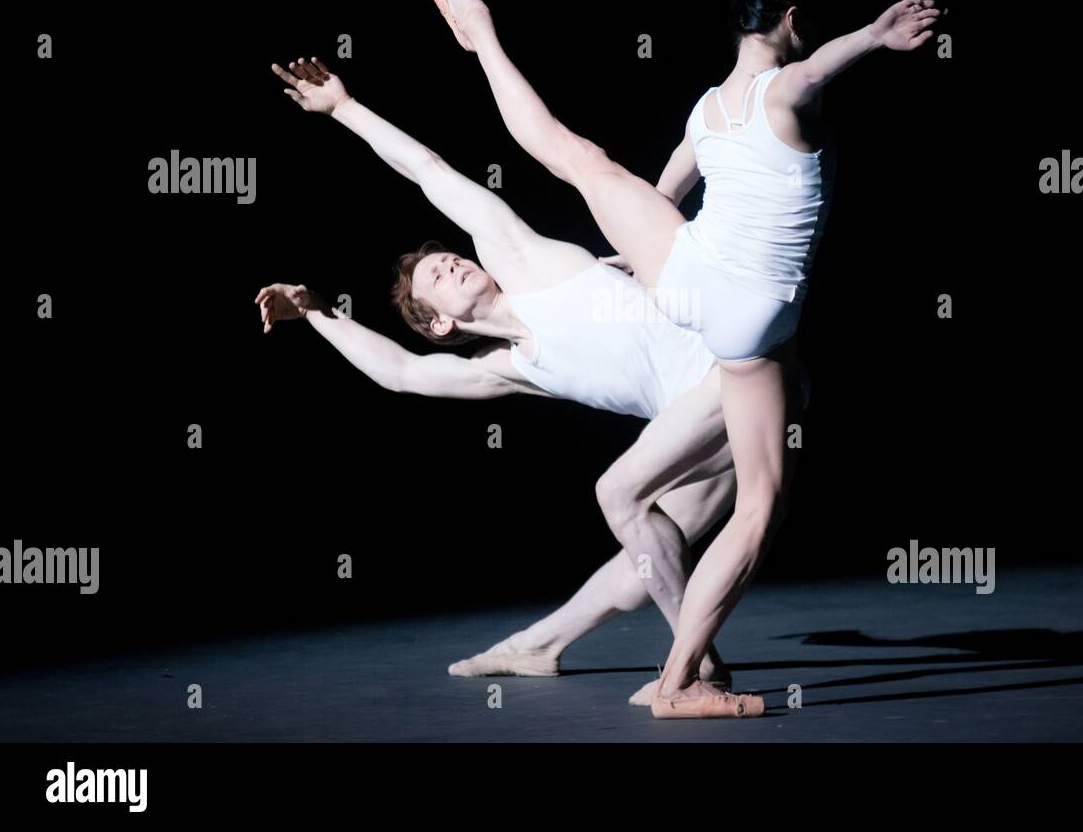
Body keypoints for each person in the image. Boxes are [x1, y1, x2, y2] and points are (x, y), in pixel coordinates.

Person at [416, 0, 941, 717]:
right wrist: (875, 35)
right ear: (792, 19)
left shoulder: (707, 109)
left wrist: (642, 248)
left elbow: (669, 184)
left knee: (574, 155)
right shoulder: (788, 91)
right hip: (750, 311)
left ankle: (482, 34)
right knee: (758, 509)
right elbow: (815, 71)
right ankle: (679, 680)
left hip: (689, 278)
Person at [261, 56, 793, 710]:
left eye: (448, 257)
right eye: (436, 277)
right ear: (441, 322)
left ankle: (695, 665)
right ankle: (540, 644)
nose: (450, 264)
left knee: (618, 494)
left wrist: (345, 109)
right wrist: (318, 313)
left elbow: (429, 170)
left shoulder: (524, 257)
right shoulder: (508, 368)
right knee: (649, 559)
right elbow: (400, 372)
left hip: (737, 372)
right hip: (709, 422)